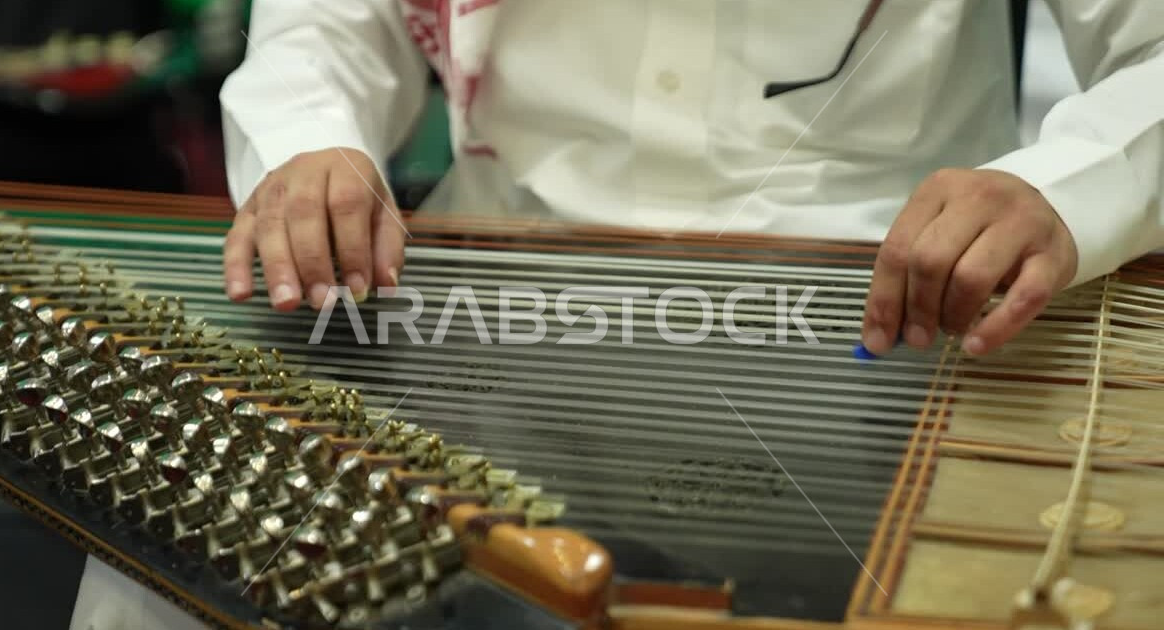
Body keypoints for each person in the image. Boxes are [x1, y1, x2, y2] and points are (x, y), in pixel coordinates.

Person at [72, 0, 1164, 628]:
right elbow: (330, 21)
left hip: (879, 300)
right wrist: (313, 140)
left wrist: (1064, 185)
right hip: (492, 265)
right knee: (170, 550)